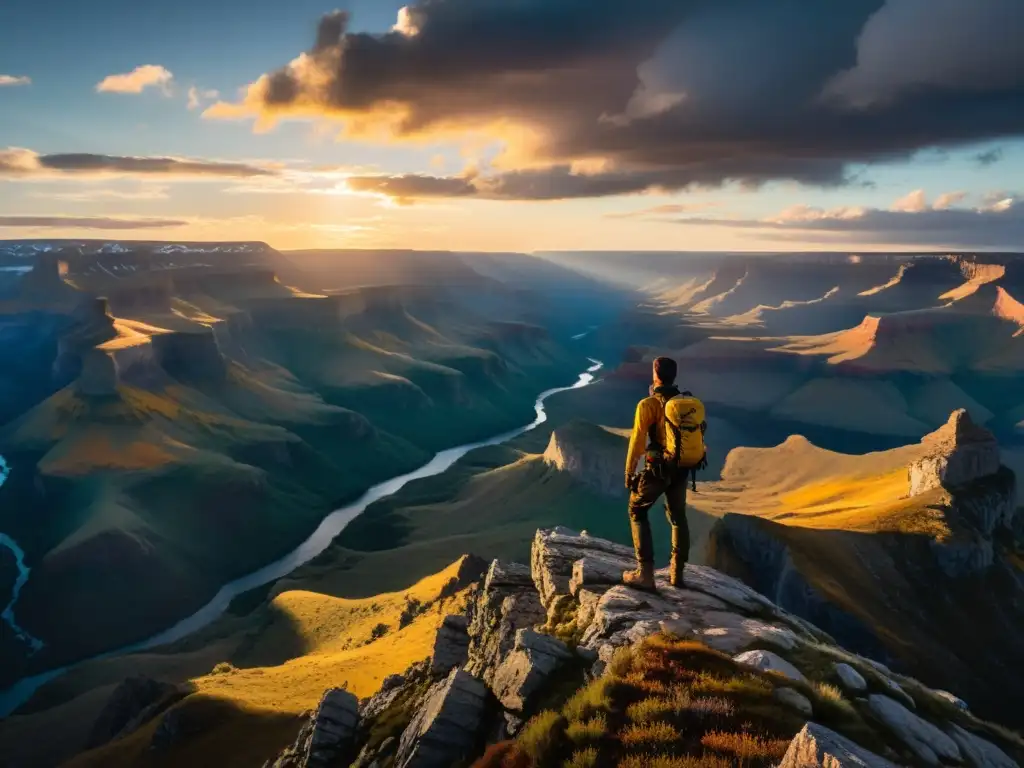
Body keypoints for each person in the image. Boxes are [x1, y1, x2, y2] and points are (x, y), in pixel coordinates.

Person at [623, 356, 707, 589]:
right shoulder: (687, 405)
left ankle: (645, 574)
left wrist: (629, 472)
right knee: (678, 517)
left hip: (658, 469)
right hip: (681, 468)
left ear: (656, 375)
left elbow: (637, 442)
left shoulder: (648, 405)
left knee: (636, 510)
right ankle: (677, 575)